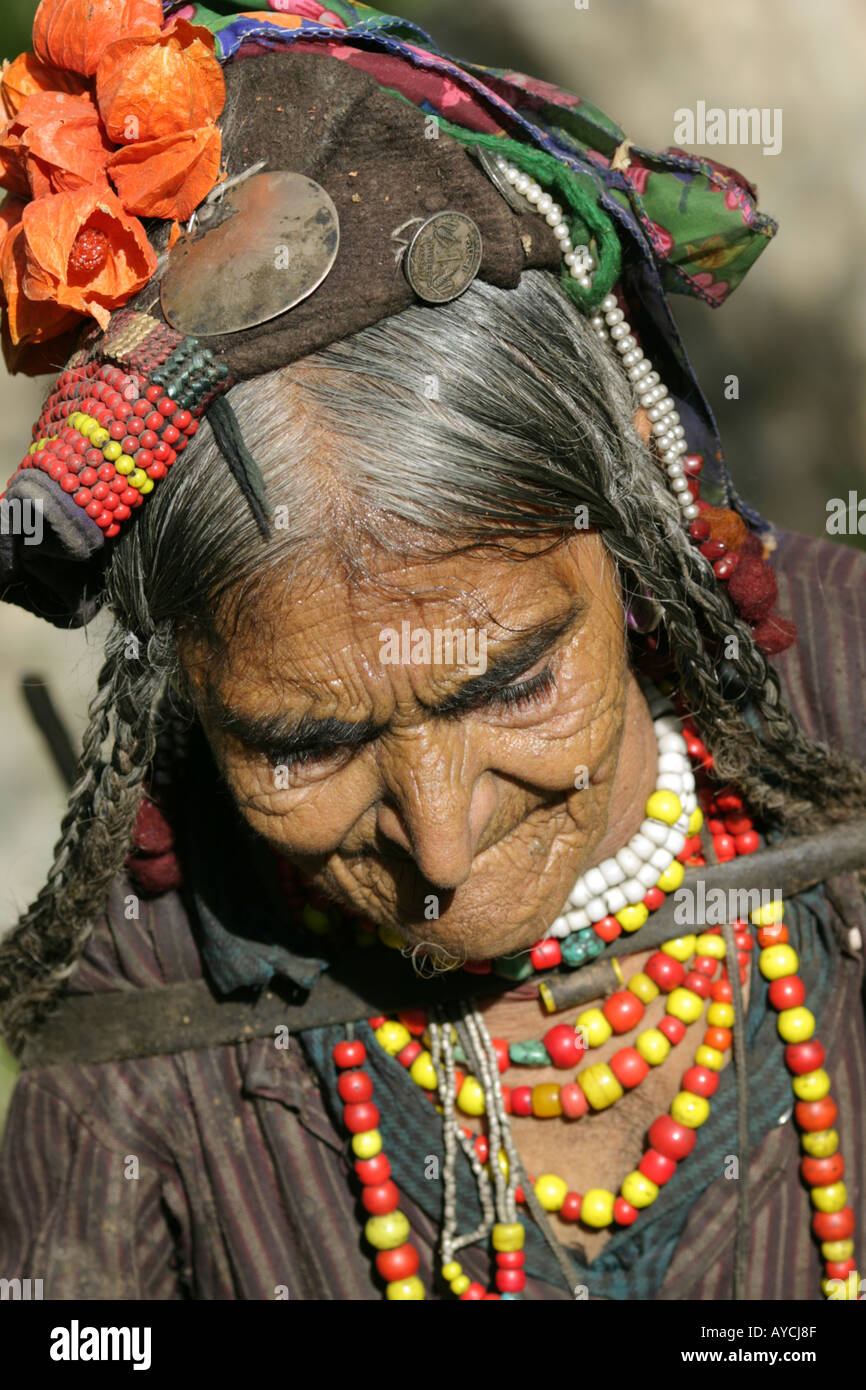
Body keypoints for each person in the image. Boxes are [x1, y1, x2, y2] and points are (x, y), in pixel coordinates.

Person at [0, 0, 863, 1302]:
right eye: (304, 744)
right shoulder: (146, 979)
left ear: (624, 517)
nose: (441, 850)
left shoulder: (844, 685)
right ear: (182, 686)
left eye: (512, 681)